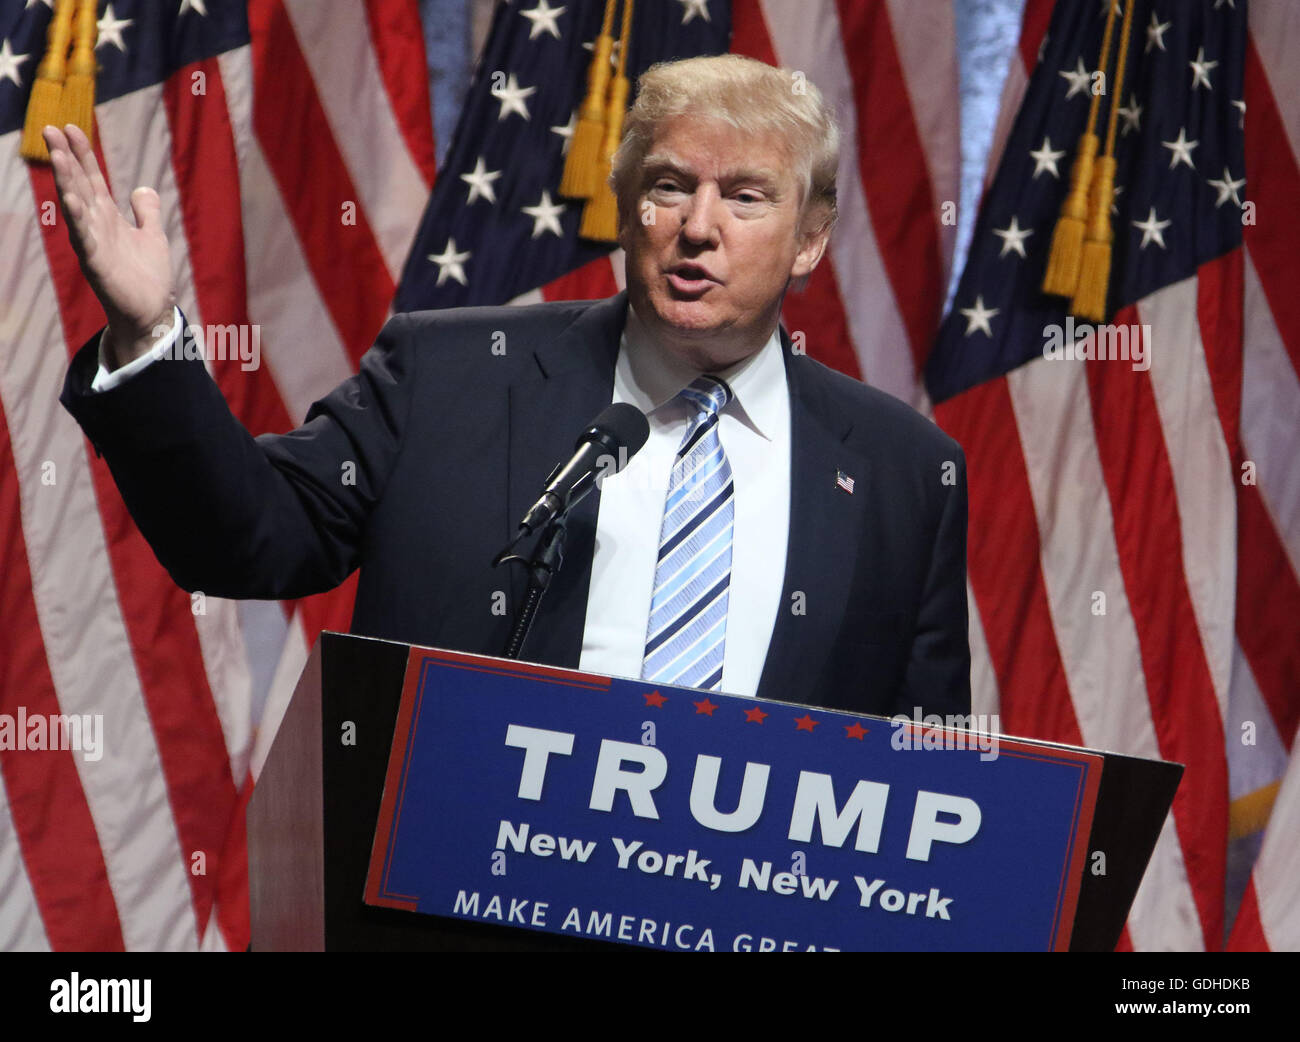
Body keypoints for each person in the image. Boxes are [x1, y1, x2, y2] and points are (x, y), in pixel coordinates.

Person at [50, 54, 970, 719]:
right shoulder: (447, 379)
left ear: (810, 240)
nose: (698, 226)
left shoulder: (903, 474)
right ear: (625, 213)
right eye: (667, 186)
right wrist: (148, 333)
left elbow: (921, 770)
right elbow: (243, 540)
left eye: (746, 196)